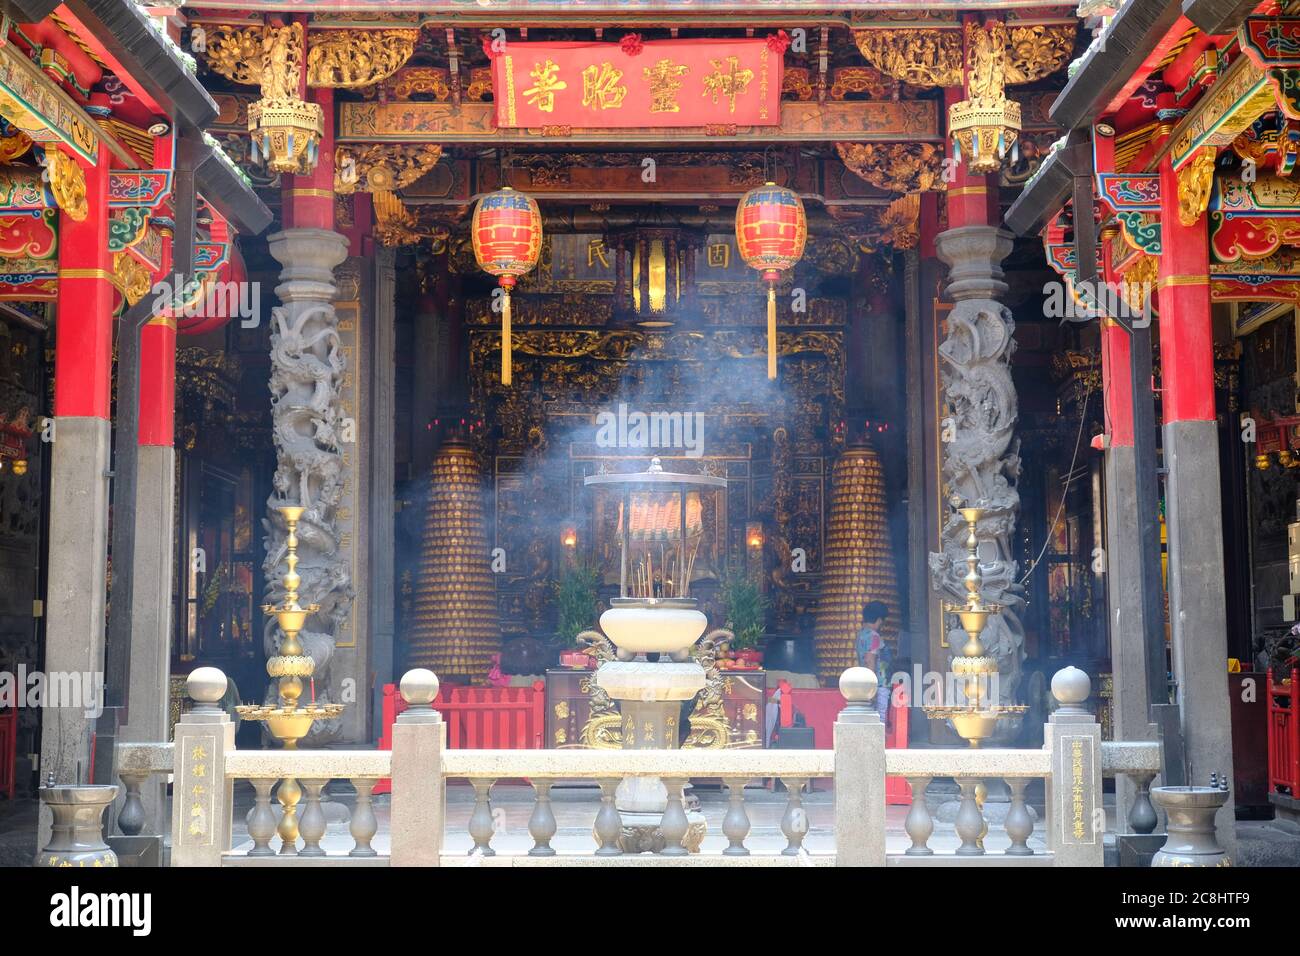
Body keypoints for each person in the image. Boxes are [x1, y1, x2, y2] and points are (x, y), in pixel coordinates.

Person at [855, 600, 892, 722]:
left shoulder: (861, 635)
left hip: (866, 682)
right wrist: (872, 688)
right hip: (879, 684)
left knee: (870, 717)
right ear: (879, 620)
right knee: (880, 717)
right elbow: (870, 660)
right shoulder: (874, 636)